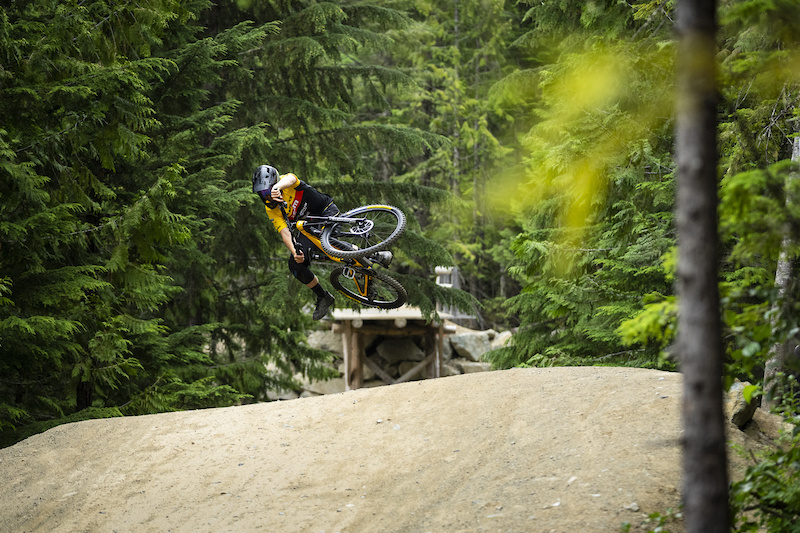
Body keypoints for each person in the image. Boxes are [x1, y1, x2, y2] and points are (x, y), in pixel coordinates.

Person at [252, 164, 337, 320]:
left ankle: (367, 254)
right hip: (309, 228)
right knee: (295, 264)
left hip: (326, 211)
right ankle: (323, 296)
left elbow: (292, 178)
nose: (267, 197)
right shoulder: (271, 210)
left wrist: (278, 187)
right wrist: (295, 252)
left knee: (326, 241)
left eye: (268, 192)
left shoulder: (286, 183)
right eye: (262, 194)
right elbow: (285, 233)